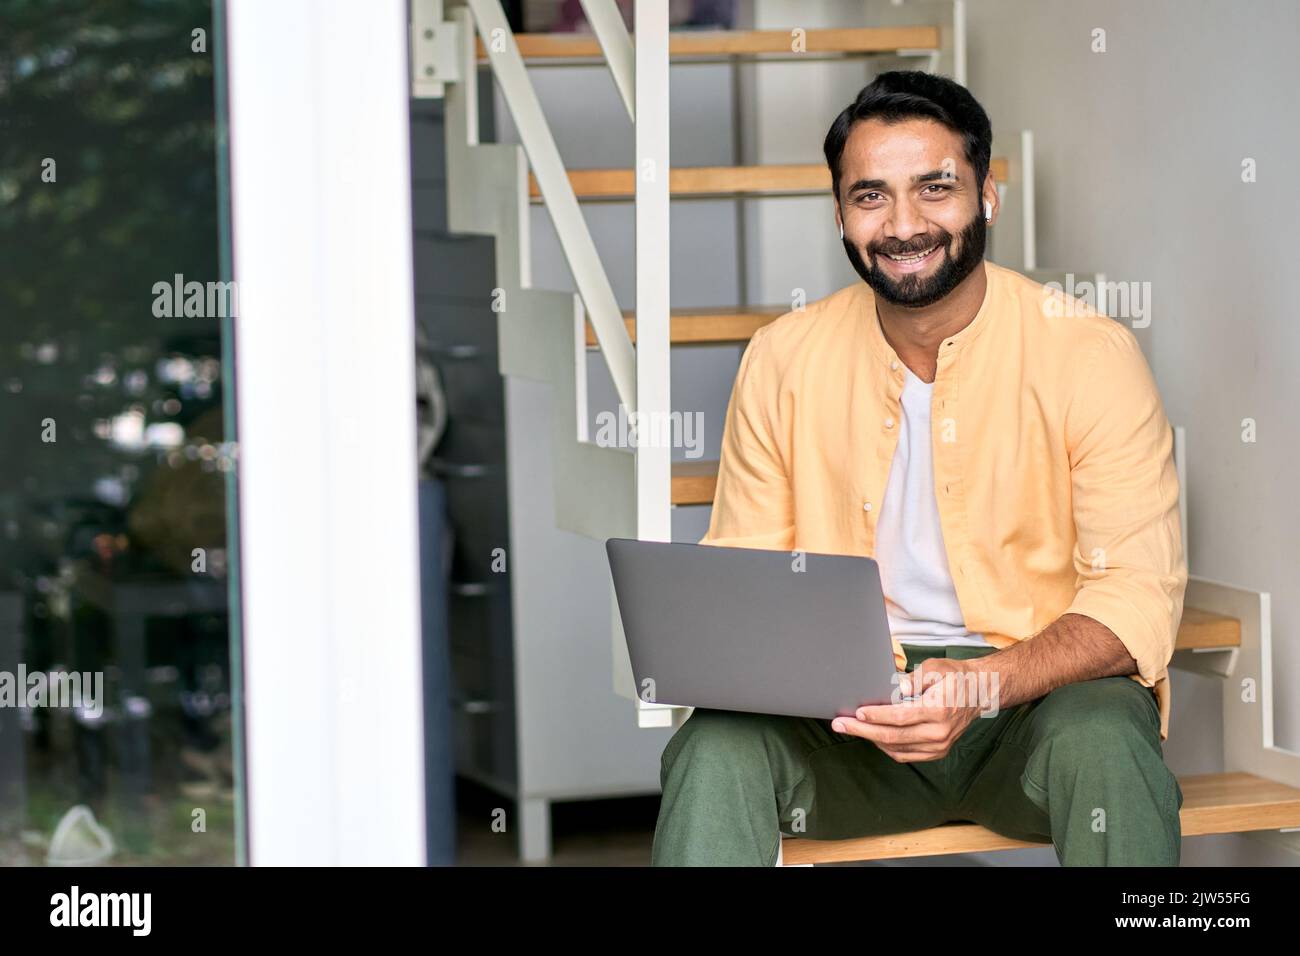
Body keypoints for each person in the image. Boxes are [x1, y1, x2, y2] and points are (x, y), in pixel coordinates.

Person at [652, 71, 1187, 867]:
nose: (904, 225)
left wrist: (986, 686)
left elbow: (1138, 593)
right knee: (713, 748)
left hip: (1034, 707)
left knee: (1107, 737)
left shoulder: (1089, 353)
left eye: (935, 188)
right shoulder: (782, 358)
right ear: (839, 214)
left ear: (987, 195)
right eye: (871, 197)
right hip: (847, 716)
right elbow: (749, 575)